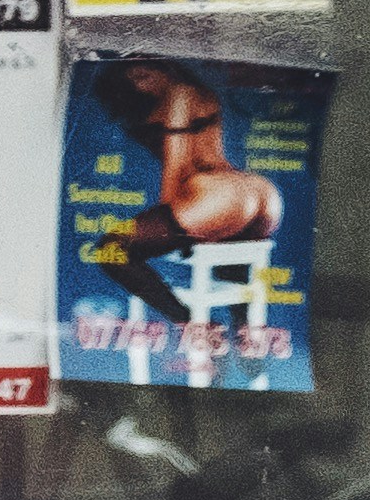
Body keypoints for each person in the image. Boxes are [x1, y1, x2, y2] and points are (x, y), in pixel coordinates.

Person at [78, 56, 277, 322]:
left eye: (144, 76)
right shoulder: (202, 93)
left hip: (218, 196)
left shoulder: (179, 92)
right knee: (229, 271)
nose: (141, 87)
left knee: (111, 249)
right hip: (259, 194)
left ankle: (190, 322)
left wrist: (169, 217)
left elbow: (177, 161)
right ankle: (243, 336)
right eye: (133, 83)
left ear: (166, 68)